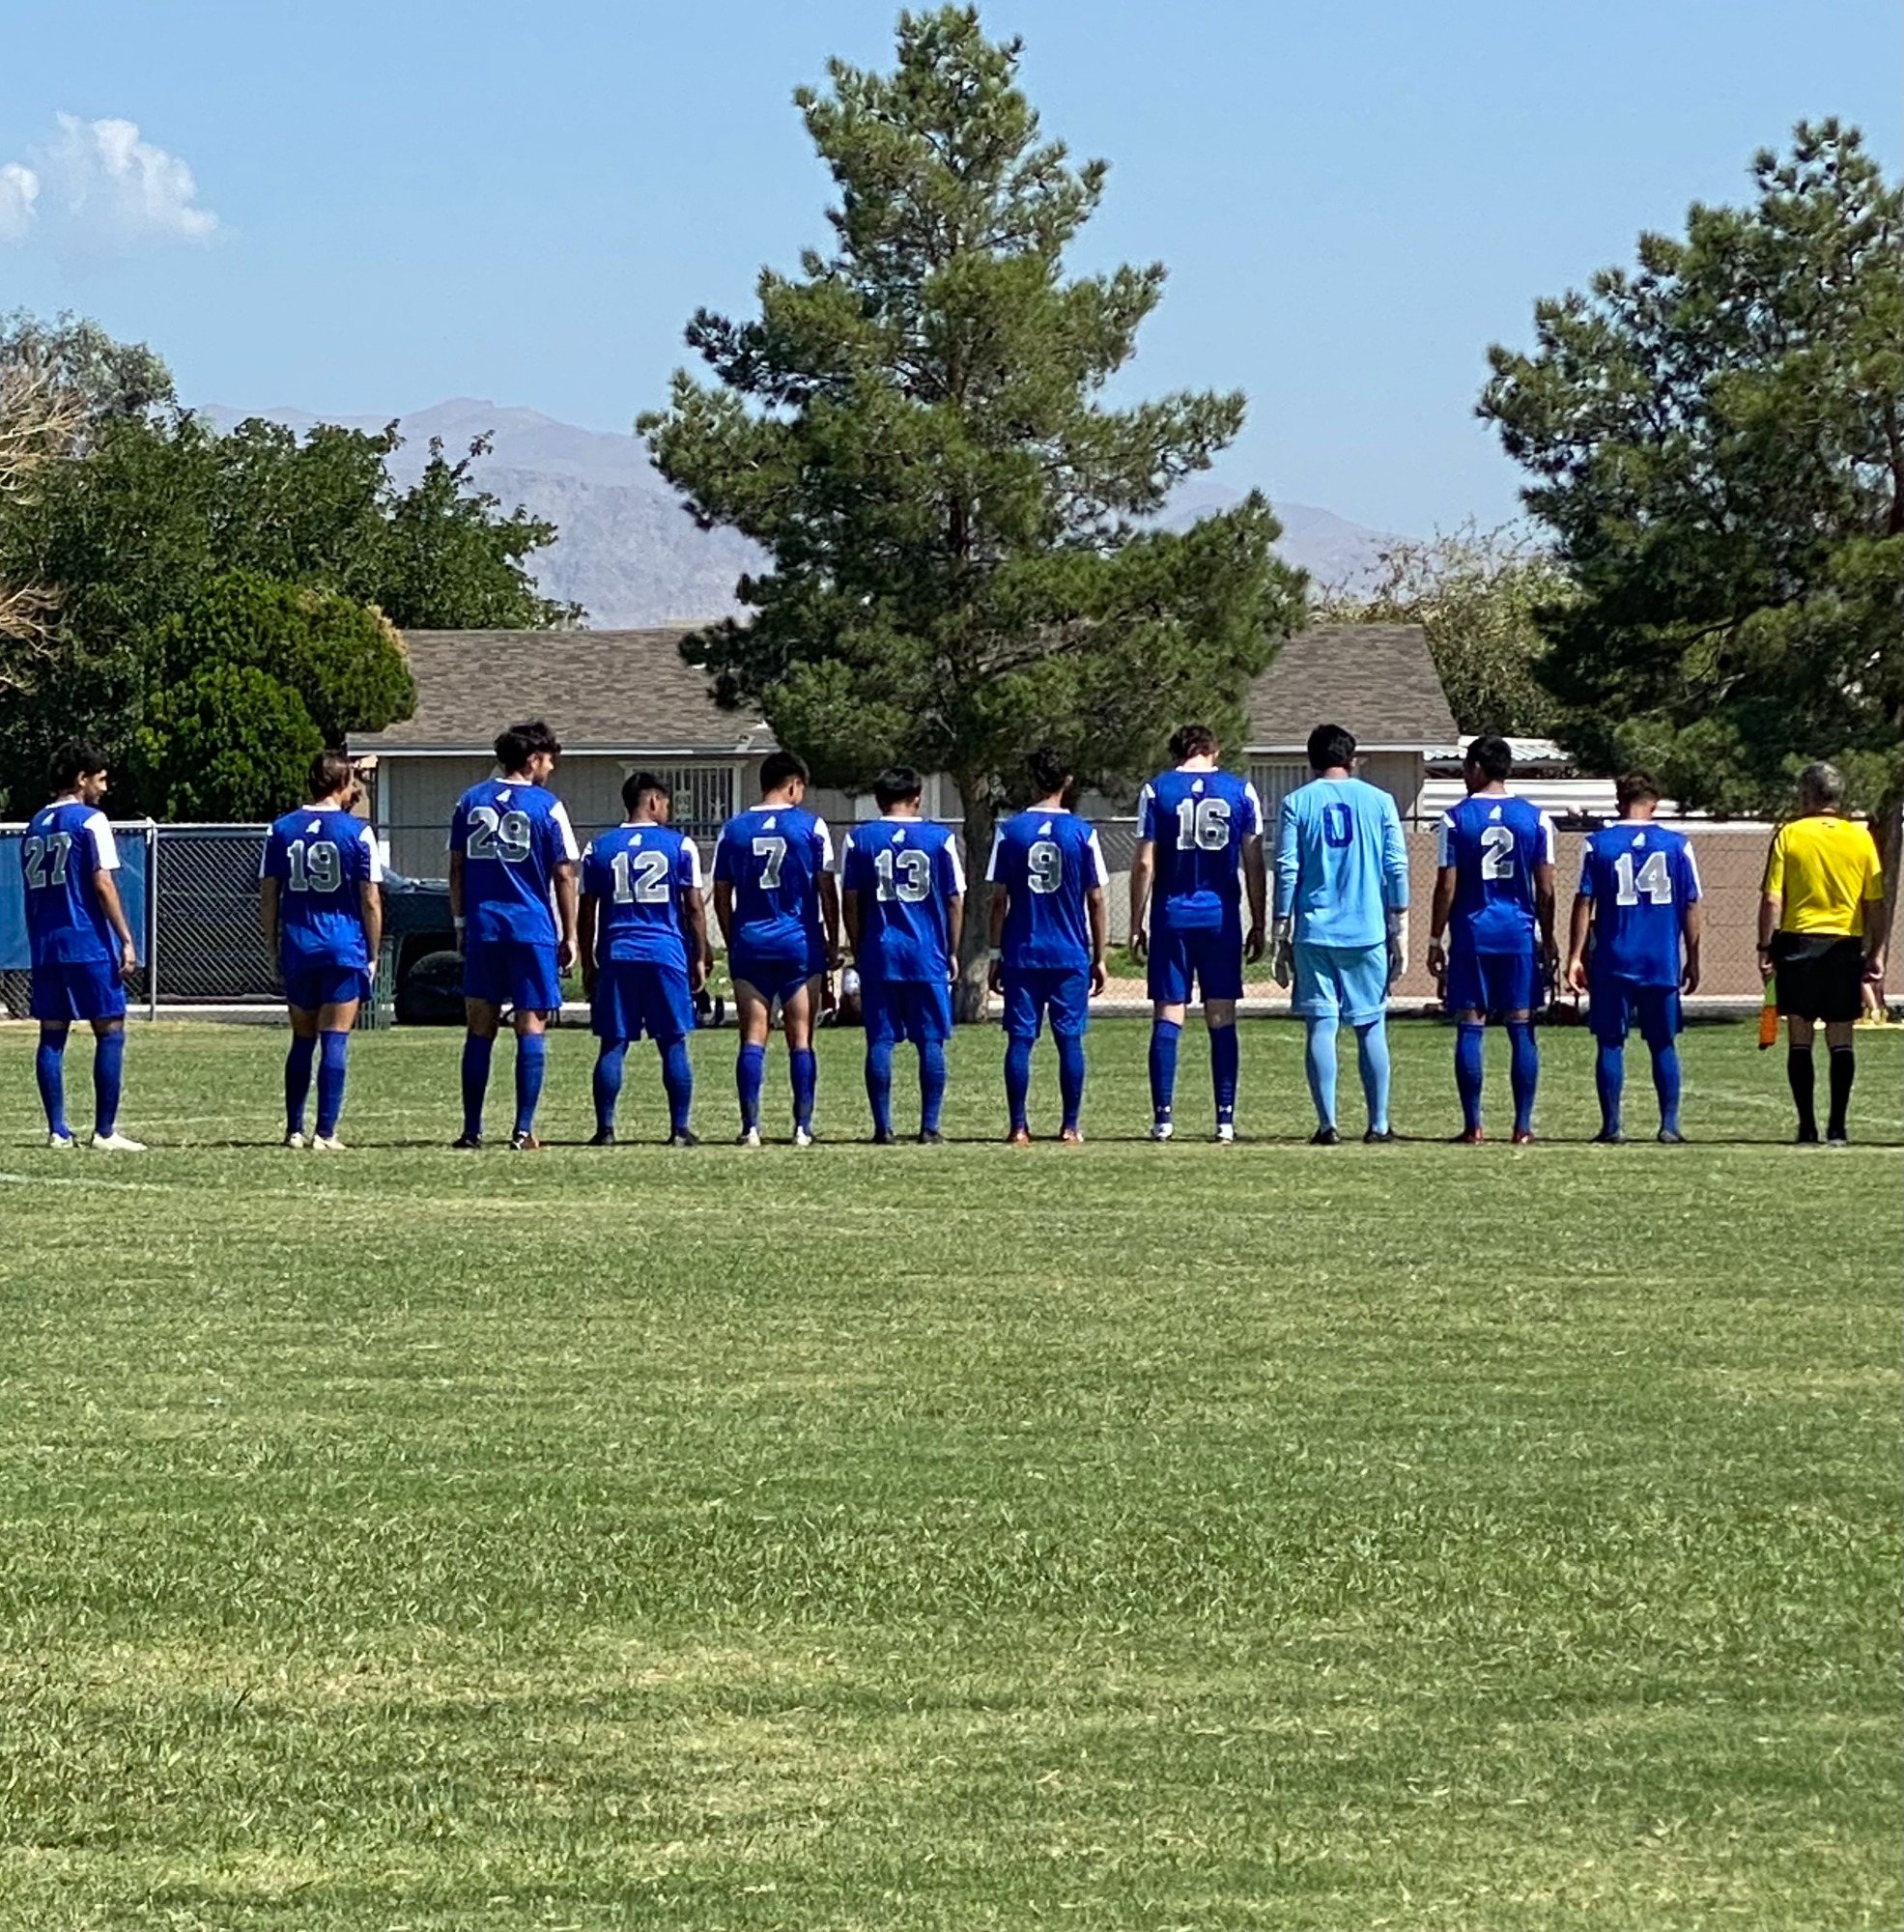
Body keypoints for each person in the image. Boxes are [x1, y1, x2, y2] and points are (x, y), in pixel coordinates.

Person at [1270, 724, 1409, 1145]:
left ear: (1312, 761)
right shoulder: (1380, 802)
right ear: (1352, 759)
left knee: (1322, 1025)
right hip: (1366, 929)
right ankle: (1378, 1124)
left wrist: (1281, 927)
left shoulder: (1296, 803)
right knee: (1371, 1026)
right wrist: (1399, 922)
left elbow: (1288, 868)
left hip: (1315, 930)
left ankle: (1328, 1124)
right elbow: (1396, 866)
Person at [1128, 724, 1266, 1143]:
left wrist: (1136, 920)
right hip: (1220, 918)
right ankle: (1224, 1120)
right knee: (1221, 1014)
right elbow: (1254, 860)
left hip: (1172, 916)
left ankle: (1163, 1119)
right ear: (1214, 751)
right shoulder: (1240, 791)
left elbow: (1145, 864)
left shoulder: (1157, 790)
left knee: (1169, 1014)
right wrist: (1258, 921)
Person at [447, 721, 580, 1151]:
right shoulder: (547, 806)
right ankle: (523, 1129)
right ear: (532, 759)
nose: (553, 767)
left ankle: (471, 1129)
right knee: (531, 1025)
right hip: (530, 928)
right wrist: (571, 934)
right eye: (549, 759)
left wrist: (461, 923)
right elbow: (563, 873)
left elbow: (457, 868)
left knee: (479, 1027)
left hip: (485, 927)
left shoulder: (469, 801)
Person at [1427, 734, 1558, 1146]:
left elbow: (1446, 885)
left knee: (1471, 1026)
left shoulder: (1455, 819)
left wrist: (1434, 938)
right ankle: (1522, 1126)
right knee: (1521, 1026)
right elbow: (1547, 888)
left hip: (1472, 935)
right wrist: (1548, 937)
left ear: (1478, 768)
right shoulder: (1535, 819)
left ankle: (1474, 1126)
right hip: (1519, 935)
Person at [18, 739, 143, 1151]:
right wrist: (125, 937)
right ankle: (105, 1131)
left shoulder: (34, 824)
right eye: (101, 778)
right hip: (86, 939)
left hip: (47, 942)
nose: (105, 788)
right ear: (81, 779)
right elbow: (102, 881)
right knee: (110, 1028)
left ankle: (57, 1130)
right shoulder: (91, 821)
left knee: (52, 1033)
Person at [1565, 772, 1701, 1145]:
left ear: (1617, 801)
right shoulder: (1677, 846)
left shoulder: (1598, 845)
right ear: (1654, 803)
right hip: (1660, 960)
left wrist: (1575, 956)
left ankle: (1612, 1126)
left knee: (1610, 1042)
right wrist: (1694, 956)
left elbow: (1584, 902)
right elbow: (1690, 905)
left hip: (1613, 958)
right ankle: (1669, 1125)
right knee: (1662, 1043)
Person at [712, 751, 840, 1147]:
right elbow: (826, 889)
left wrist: (735, 936)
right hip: (798, 941)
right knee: (801, 1037)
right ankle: (802, 1128)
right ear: (793, 785)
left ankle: (750, 1127)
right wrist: (833, 940)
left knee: (753, 1036)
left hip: (752, 940)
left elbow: (721, 893)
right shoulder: (810, 826)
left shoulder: (734, 829)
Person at [258, 751, 384, 1151]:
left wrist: (272, 945)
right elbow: (371, 899)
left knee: (302, 1039)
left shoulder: (280, 829)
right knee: (335, 1039)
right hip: (342, 945)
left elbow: (268, 895)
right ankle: (325, 1132)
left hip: (299, 943)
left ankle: (294, 1129)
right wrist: (373, 952)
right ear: (342, 784)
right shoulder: (356, 831)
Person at [1757, 762, 1888, 1146]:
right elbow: (1875, 902)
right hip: (1844, 945)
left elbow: (1771, 898)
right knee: (1841, 1038)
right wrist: (1877, 951)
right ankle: (1839, 1127)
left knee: (1800, 1037)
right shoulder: (1860, 838)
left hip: (1798, 942)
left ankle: (1807, 1126)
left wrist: (1765, 946)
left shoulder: (1790, 835)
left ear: (1806, 795)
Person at [577, 772, 710, 1148]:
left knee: (613, 1043)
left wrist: (588, 961)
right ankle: (679, 1129)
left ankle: (605, 1129)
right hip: (665, 952)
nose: (668, 810)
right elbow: (694, 908)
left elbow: (587, 912)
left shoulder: (598, 847)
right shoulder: (679, 845)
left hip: (618, 952)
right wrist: (698, 956)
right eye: (666, 803)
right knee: (672, 1041)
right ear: (652, 802)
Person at [987, 748, 1111, 1144]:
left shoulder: (1011, 830)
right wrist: (1101, 957)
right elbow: (1096, 898)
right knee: (1069, 1039)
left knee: (1021, 1040)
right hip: (1069, 952)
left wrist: (994, 954)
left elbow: (998, 899)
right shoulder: (1082, 832)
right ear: (1067, 781)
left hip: (1023, 951)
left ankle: (1018, 1126)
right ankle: (1070, 1126)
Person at [838, 767, 965, 1144]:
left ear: (878, 800)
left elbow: (851, 899)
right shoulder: (939, 839)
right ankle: (929, 1127)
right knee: (930, 1041)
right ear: (917, 797)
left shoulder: (859, 839)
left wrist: (859, 945)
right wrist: (951, 949)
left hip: (880, 950)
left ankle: (883, 1127)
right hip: (926, 952)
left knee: (880, 1040)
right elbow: (955, 899)